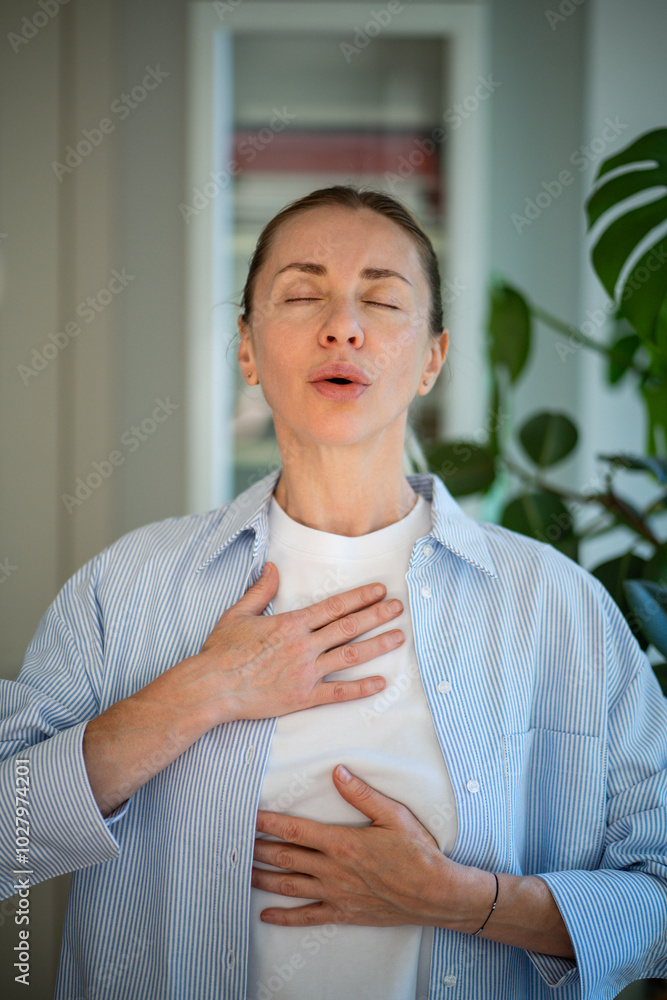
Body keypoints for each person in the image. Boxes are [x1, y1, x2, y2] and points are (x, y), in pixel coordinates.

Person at [1, 185, 666, 1000]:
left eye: (382, 299)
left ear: (431, 358)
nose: (341, 325)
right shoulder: (122, 587)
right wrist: (197, 694)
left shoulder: (562, 609)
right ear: (246, 349)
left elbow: (659, 898)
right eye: (301, 294)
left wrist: (469, 902)